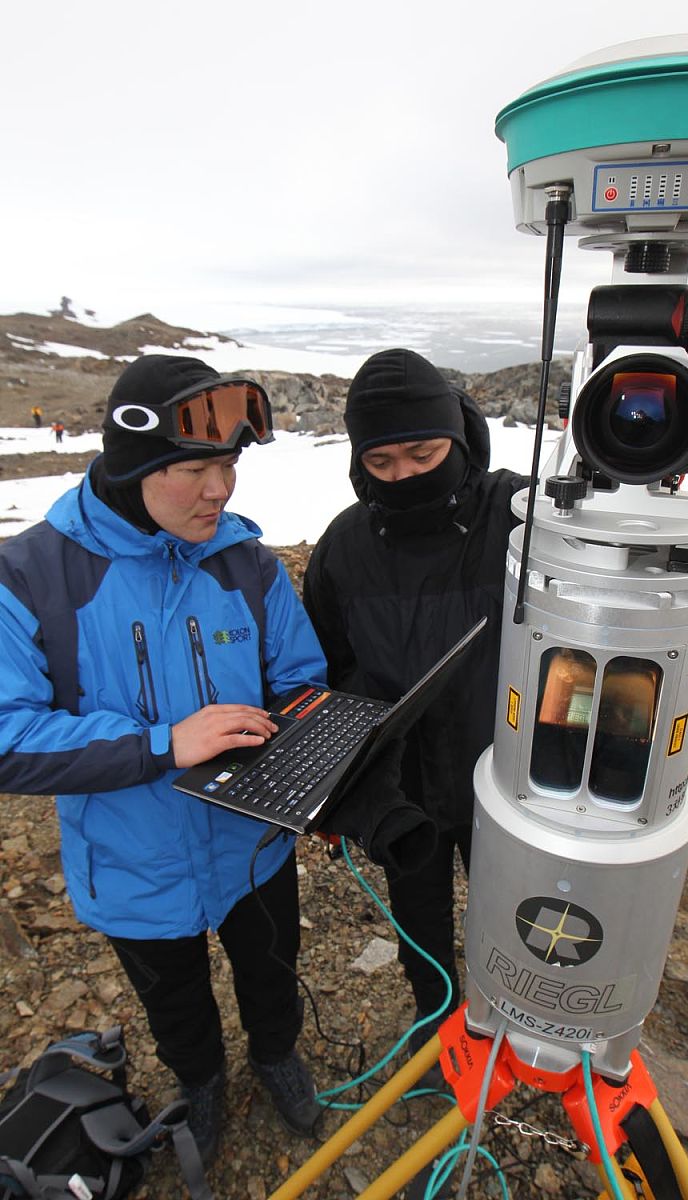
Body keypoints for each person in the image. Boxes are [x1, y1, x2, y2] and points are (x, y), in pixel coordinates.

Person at [0, 354, 332, 1167]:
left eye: (228, 466)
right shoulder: (32, 574)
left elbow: (300, 679)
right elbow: (7, 737)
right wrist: (163, 743)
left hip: (252, 844)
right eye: (194, 468)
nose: (220, 491)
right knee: (174, 997)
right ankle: (202, 1081)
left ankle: (276, 1056)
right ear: (133, 462)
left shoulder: (244, 563)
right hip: (132, 858)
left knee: (271, 970)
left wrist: (306, 752)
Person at [303, 348, 528, 1067]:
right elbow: (329, 668)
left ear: (457, 440)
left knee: (515, 922)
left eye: (423, 453)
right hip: (401, 790)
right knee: (421, 926)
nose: (404, 476)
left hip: (508, 782)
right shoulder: (343, 545)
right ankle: (440, 1039)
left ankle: (516, 1038)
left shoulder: (520, 517)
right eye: (383, 462)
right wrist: (342, 787)